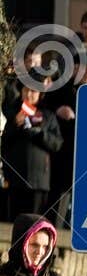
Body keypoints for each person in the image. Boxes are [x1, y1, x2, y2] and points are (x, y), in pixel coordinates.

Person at [2, 89, 61, 220]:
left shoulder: (48, 116)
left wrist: (41, 133)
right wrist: (15, 125)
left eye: (33, 91)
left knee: (35, 222)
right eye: (26, 91)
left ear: (40, 94)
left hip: (39, 181)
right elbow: (4, 142)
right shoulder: (14, 114)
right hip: (16, 179)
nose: (29, 95)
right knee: (14, 221)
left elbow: (57, 144)